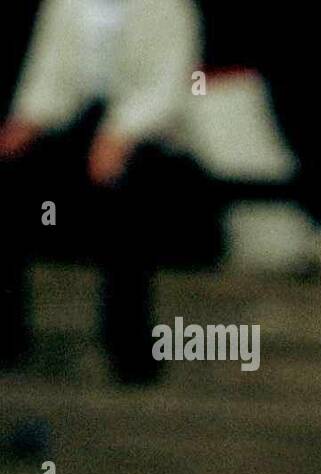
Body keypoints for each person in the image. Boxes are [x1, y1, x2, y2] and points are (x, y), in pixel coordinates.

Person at [0, 0, 208, 383]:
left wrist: (120, 133)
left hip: (150, 139)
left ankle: (128, 347)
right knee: (12, 179)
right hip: (79, 127)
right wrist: (28, 119)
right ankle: (10, 338)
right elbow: (49, 77)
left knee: (128, 199)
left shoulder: (171, 9)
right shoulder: (64, 7)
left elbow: (168, 88)